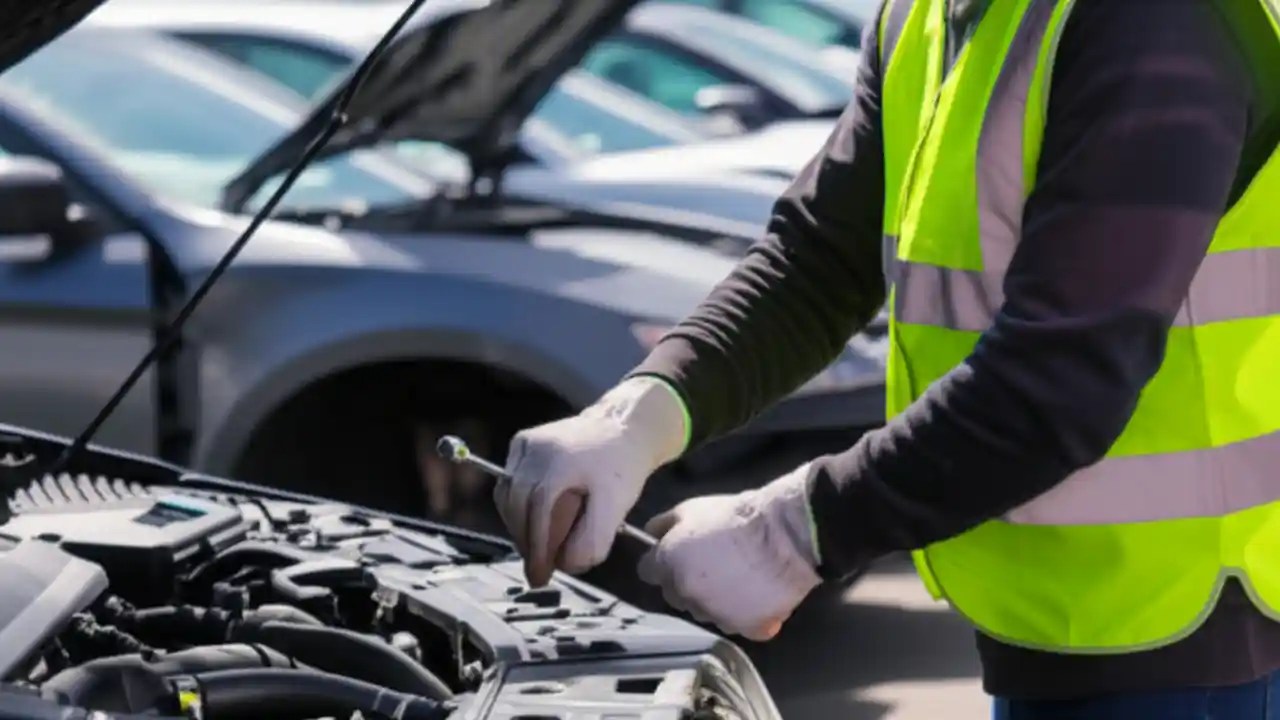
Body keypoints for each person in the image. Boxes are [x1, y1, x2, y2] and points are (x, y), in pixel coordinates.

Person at [495, 0, 1280, 716]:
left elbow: (1063, 377)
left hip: (1199, 639)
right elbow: (819, 261)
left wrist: (795, 533)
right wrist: (638, 415)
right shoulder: (928, 17)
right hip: (1075, 626)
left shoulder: (1154, 23)